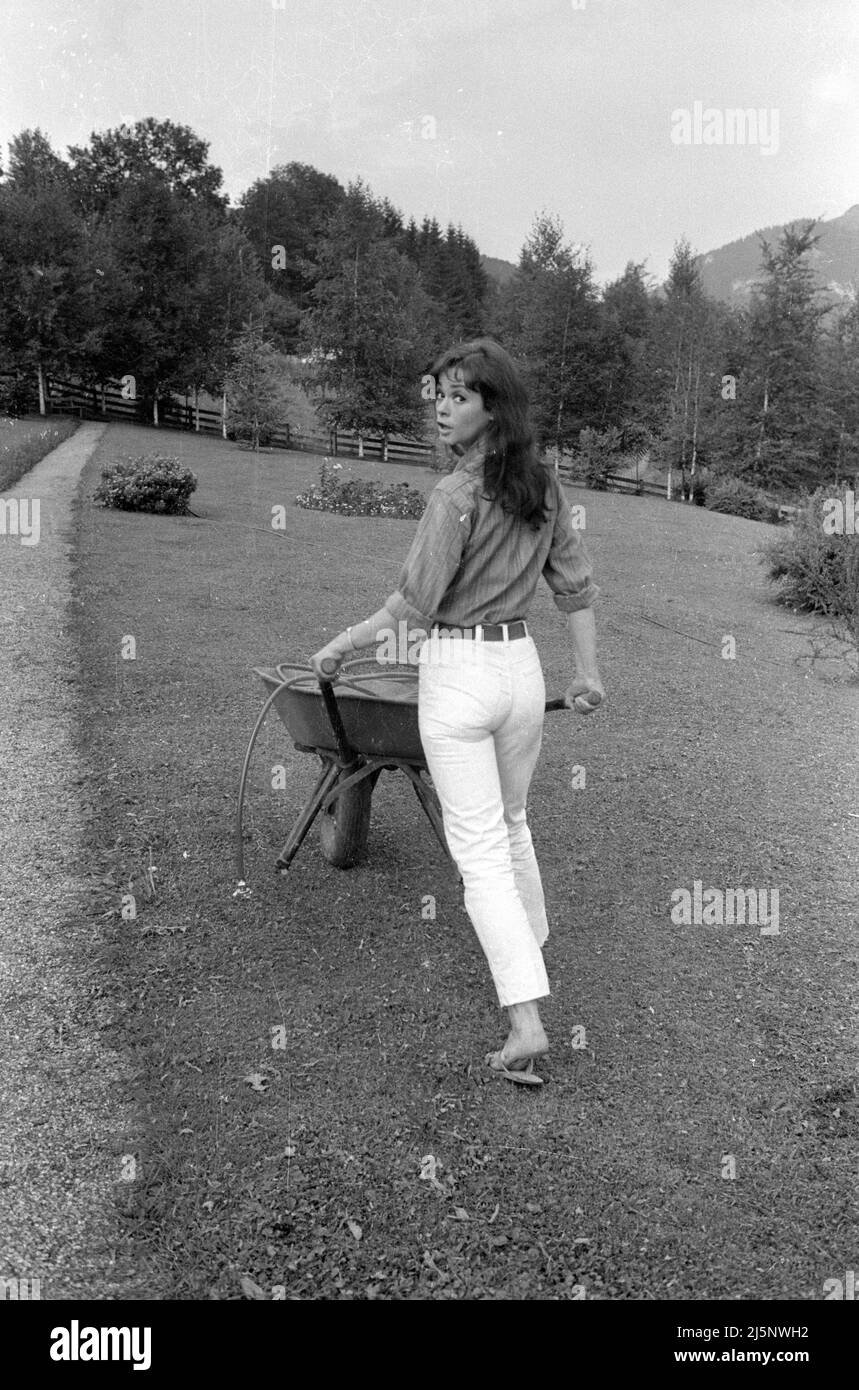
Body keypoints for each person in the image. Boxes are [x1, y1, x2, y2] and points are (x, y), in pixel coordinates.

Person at [310, 338, 604, 1086]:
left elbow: (413, 603)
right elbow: (573, 588)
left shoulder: (454, 497)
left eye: (458, 396)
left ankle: (525, 1021)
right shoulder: (544, 485)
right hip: (519, 668)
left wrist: (342, 644)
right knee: (511, 825)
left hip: (461, 672)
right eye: (437, 394)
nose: (441, 408)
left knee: (478, 852)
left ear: (491, 407)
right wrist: (588, 673)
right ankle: (527, 950)